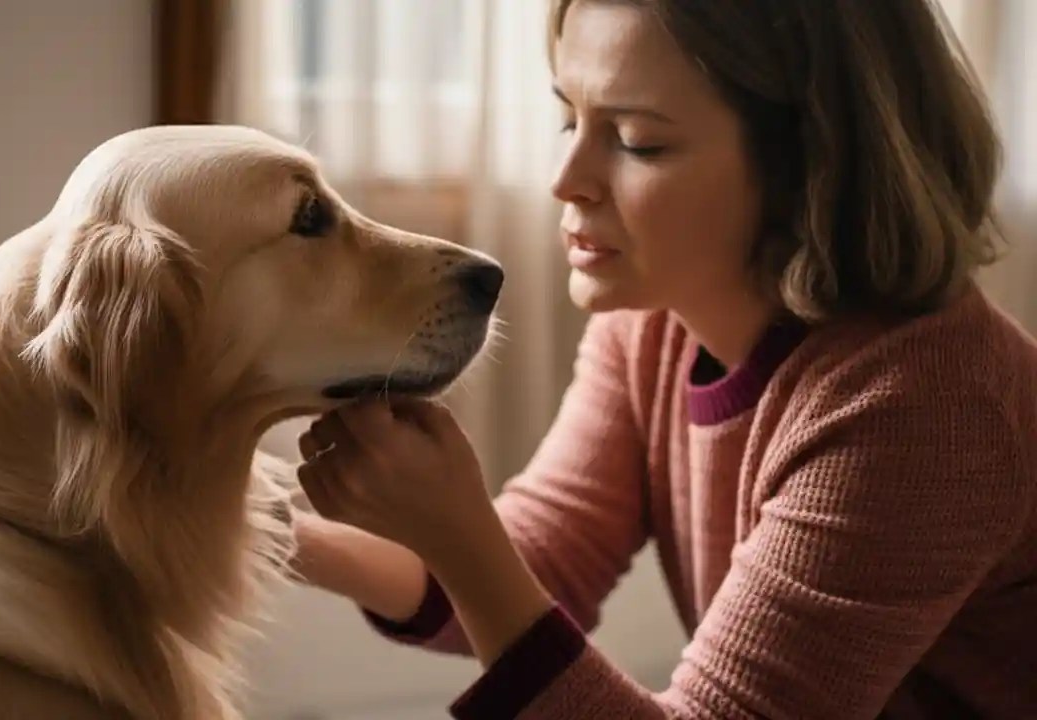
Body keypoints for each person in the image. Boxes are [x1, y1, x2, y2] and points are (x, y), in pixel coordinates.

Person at [291, 0, 1037, 717]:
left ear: (809, 163)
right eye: (567, 117)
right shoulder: (655, 316)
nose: (565, 179)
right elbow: (546, 556)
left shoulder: (925, 412)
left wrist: (458, 535)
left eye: (637, 140)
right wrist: (276, 533)